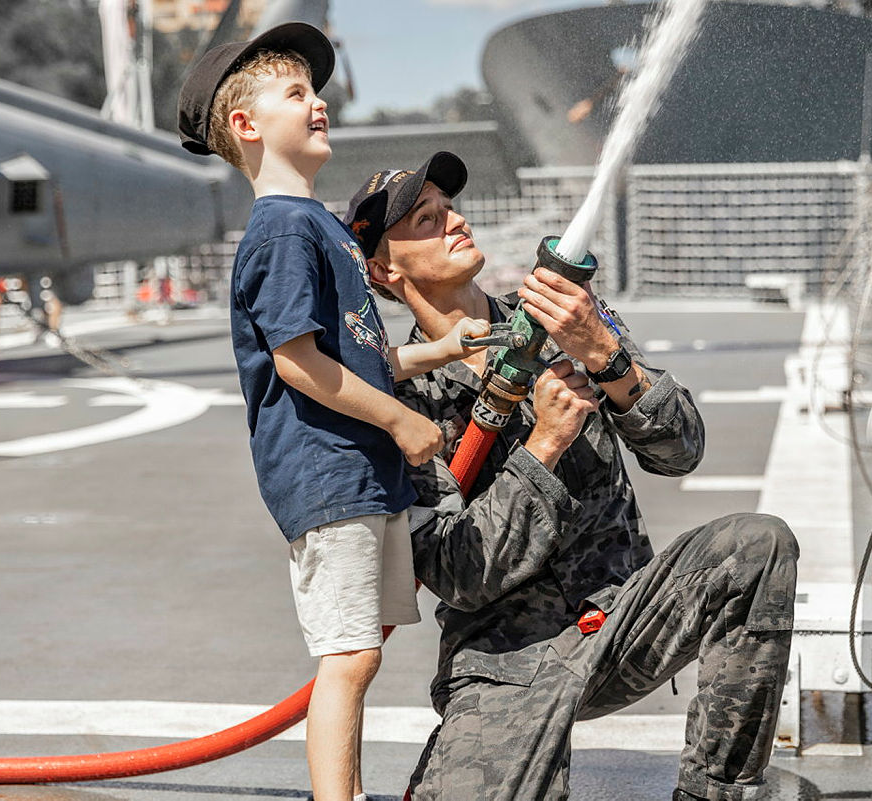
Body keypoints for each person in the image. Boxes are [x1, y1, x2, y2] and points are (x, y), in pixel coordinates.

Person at [346, 151, 799, 801]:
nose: (455, 221)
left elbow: (681, 451)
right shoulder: (398, 398)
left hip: (623, 616)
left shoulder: (567, 319)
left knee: (756, 544)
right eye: (426, 218)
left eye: (450, 208)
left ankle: (714, 792)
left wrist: (606, 356)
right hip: (506, 658)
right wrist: (546, 443)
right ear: (384, 269)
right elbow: (460, 573)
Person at [176, 30, 486, 801]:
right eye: (295, 94)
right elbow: (297, 363)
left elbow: (358, 357)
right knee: (347, 656)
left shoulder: (318, 226)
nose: (318, 102)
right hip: (329, 472)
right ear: (246, 125)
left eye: (315, 92)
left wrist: (440, 350)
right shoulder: (283, 227)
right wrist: (402, 422)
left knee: (359, 655)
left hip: (359, 475)